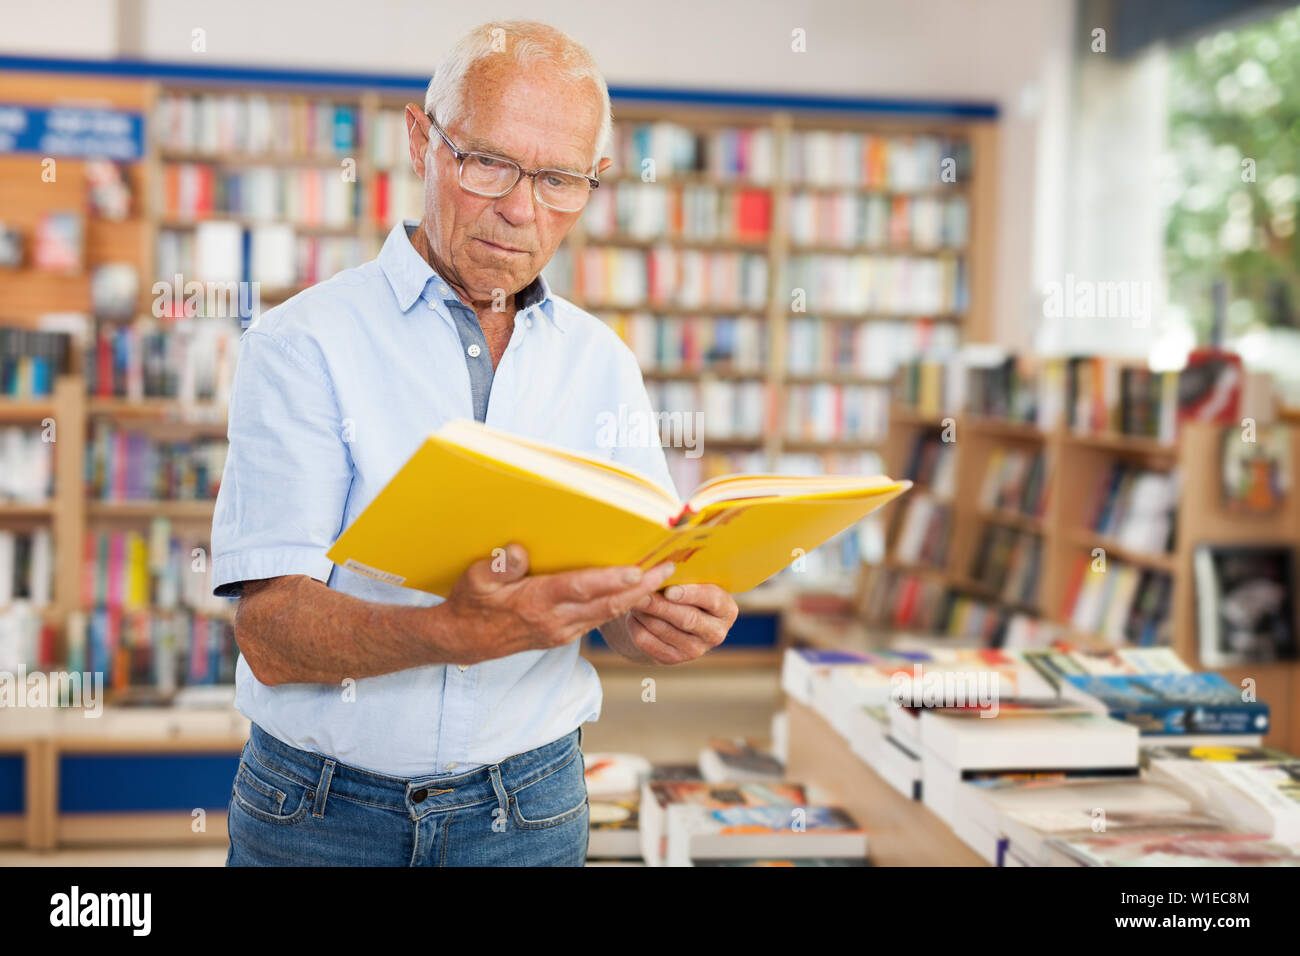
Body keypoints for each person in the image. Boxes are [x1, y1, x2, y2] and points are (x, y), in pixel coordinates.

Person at [212, 19, 737, 867]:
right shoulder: (303, 342)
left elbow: (622, 614)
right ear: (421, 142)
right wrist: (459, 630)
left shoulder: (601, 364)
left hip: (528, 811)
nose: (521, 210)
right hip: (320, 816)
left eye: (561, 179)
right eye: (488, 162)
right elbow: (271, 636)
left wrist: (660, 623)